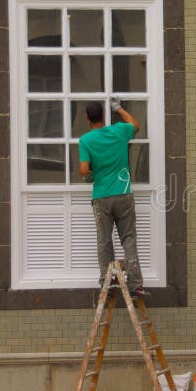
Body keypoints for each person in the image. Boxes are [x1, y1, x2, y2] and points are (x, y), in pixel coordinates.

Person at [78, 98, 147, 296]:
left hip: (102, 197)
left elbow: (83, 170)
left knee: (104, 241)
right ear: (103, 116)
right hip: (124, 194)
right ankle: (136, 284)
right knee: (129, 239)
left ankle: (107, 283)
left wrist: (90, 172)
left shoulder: (86, 140)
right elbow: (135, 124)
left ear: (87, 118)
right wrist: (118, 108)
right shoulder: (119, 131)